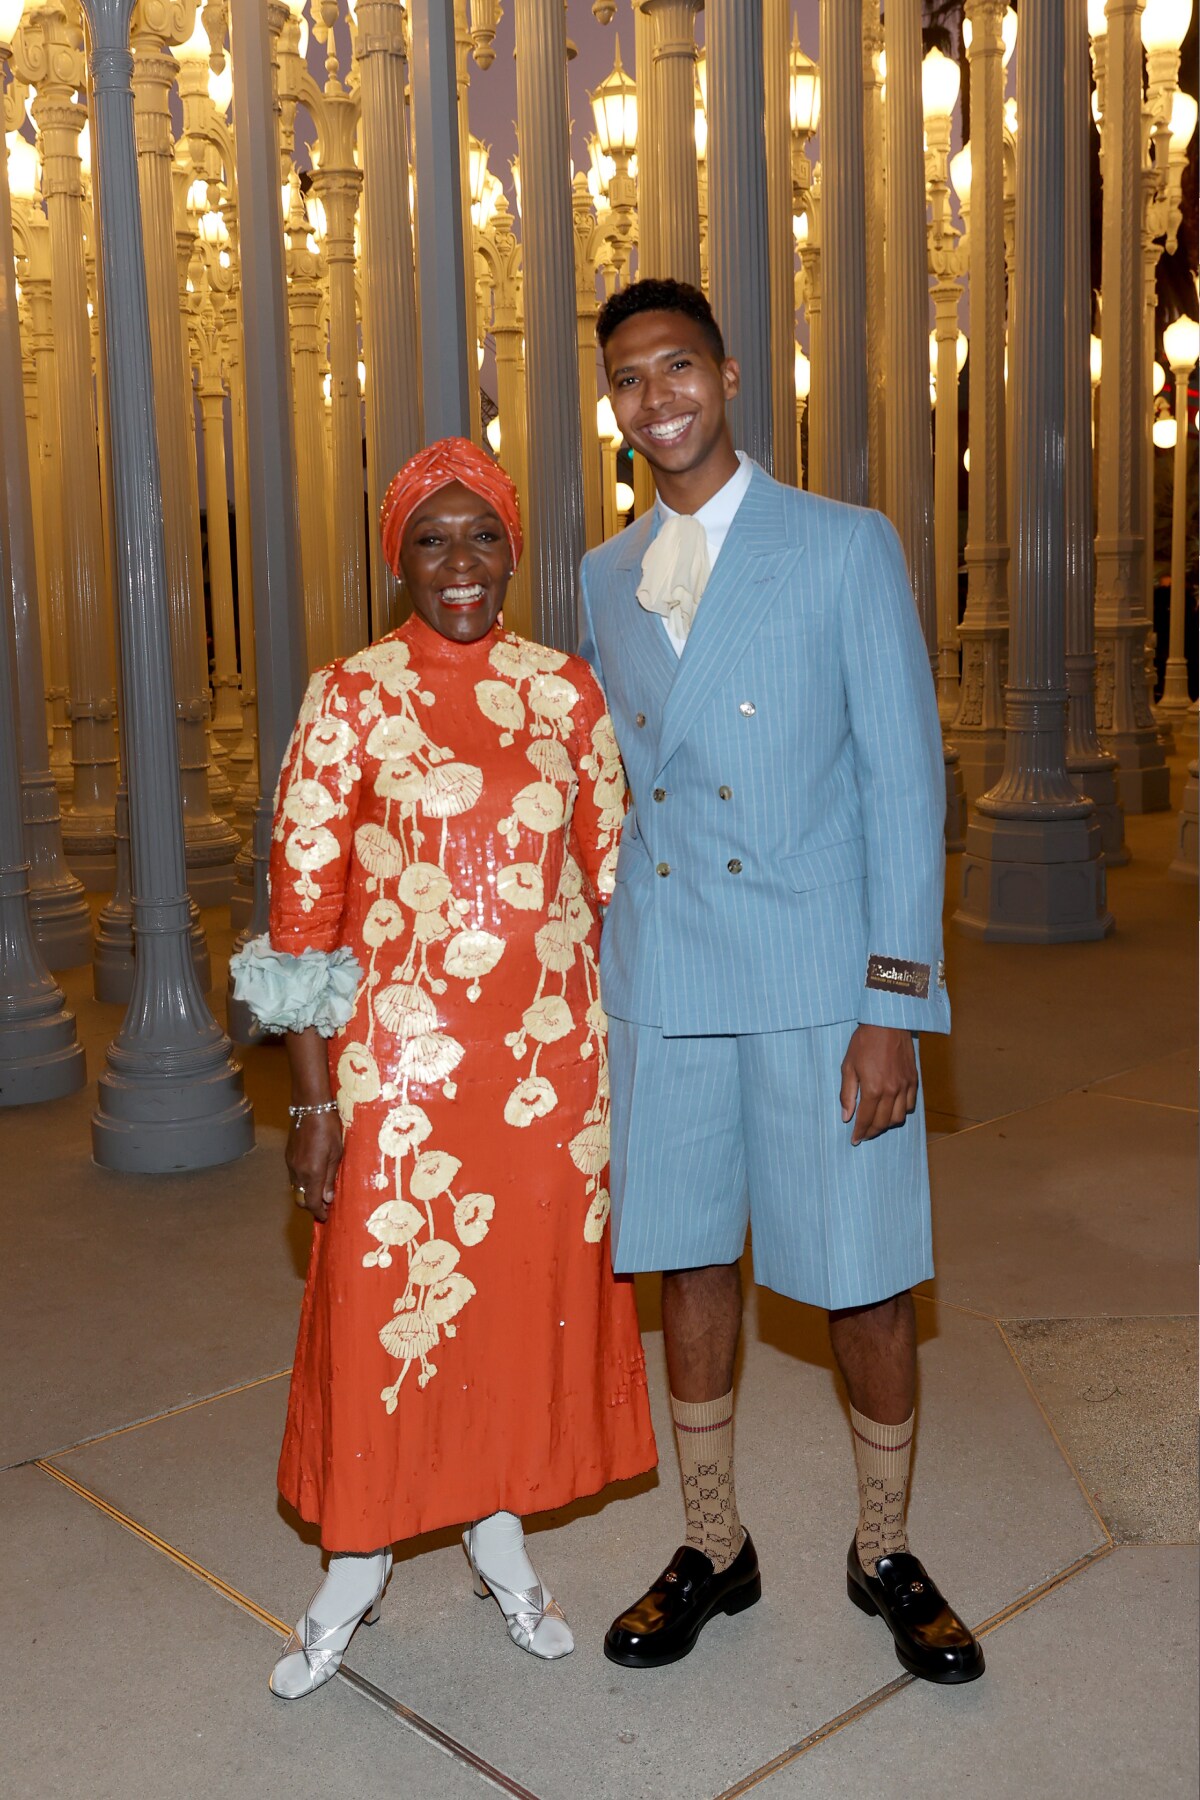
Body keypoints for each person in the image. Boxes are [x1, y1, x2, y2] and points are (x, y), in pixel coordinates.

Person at [578, 279, 984, 1684]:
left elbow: (903, 781)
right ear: (614, 405)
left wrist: (893, 1004)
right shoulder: (598, 574)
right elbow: (611, 792)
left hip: (823, 985)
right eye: (629, 380)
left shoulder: (842, 545)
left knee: (861, 1281)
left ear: (729, 374)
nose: (656, 399)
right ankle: (712, 1544)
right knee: (690, 1263)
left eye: (676, 366)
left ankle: (884, 1548)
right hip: (670, 979)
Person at [231, 436, 656, 1700]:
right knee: (382, 1317)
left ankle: (496, 1529)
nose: (459, 563)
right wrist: (313, 1100)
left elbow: (614, 884)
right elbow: (299, 920)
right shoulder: (349, 696)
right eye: (432, 539)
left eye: (482, 537)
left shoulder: (567, 692)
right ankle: (355, 1563)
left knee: (521, 1307)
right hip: (397, 1090)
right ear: (398, 559)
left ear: (513, 551)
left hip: (548, 1081)